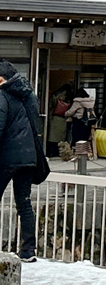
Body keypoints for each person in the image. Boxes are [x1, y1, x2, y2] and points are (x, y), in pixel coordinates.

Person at [0, 60, 40, 262]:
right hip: (29, 157)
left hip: (7, 157)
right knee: (24, 203)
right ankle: (28, 251)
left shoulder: (1, 95)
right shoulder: (28, 95)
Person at [46, 82, 73, 157]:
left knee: (52, 138)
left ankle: (51, 152)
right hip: (63, 119)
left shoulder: (55, 95)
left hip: (55, 118)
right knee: (61, 138)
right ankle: (59, 153)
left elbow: (51, 106)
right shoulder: (69, 96)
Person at [65, 87, 96, 152]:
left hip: (79, 122)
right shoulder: (91, 102)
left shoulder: (77, 102)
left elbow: (70, 112)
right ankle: (85, 152)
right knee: (85, 138)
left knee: (76, 138)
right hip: (88, 122)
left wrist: (65, 113)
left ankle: (75, 152)